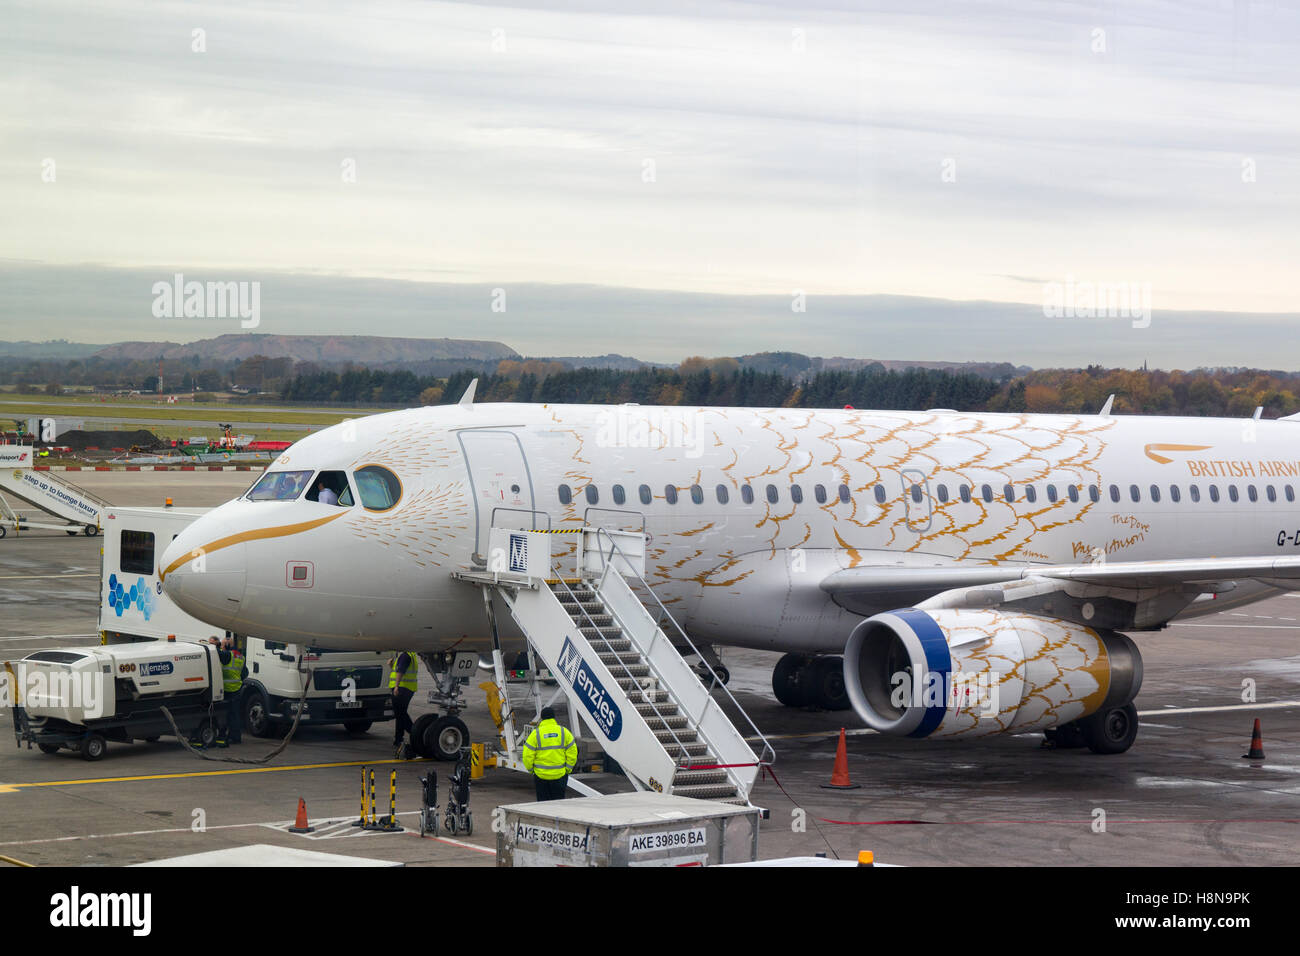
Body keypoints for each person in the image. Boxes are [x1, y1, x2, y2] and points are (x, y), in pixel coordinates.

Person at [522, 707, 577, 801]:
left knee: (543, 805)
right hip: (560, 775)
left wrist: (531, 770)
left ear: (542, 718)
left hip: (541, 776)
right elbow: (573, 752)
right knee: (558, 804)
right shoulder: (564, 732)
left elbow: (527, 755)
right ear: (553, 717)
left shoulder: (536, 734)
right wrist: (568, 768)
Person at [217, 636, 247, 746]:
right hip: (237, 688)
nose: (222, 647)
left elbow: (217, 654)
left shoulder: (227, 654)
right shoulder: (241, 656)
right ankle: (236, 737)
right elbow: (245, 673)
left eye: (223, 645)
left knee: (227, 714)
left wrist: (214, 646)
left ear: (227, 646)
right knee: (235, 714)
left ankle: (225, 736)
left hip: (227, 689)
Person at [389, 651, 419, 758]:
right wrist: (391, 666)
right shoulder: (411, 654)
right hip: (408, 688)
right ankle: (398, 738)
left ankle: (415, 732)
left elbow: (400, 671)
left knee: (400, 714)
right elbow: (400, 669)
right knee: (401, 713)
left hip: (402, 688)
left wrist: (396, 686)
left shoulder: (405, 655)